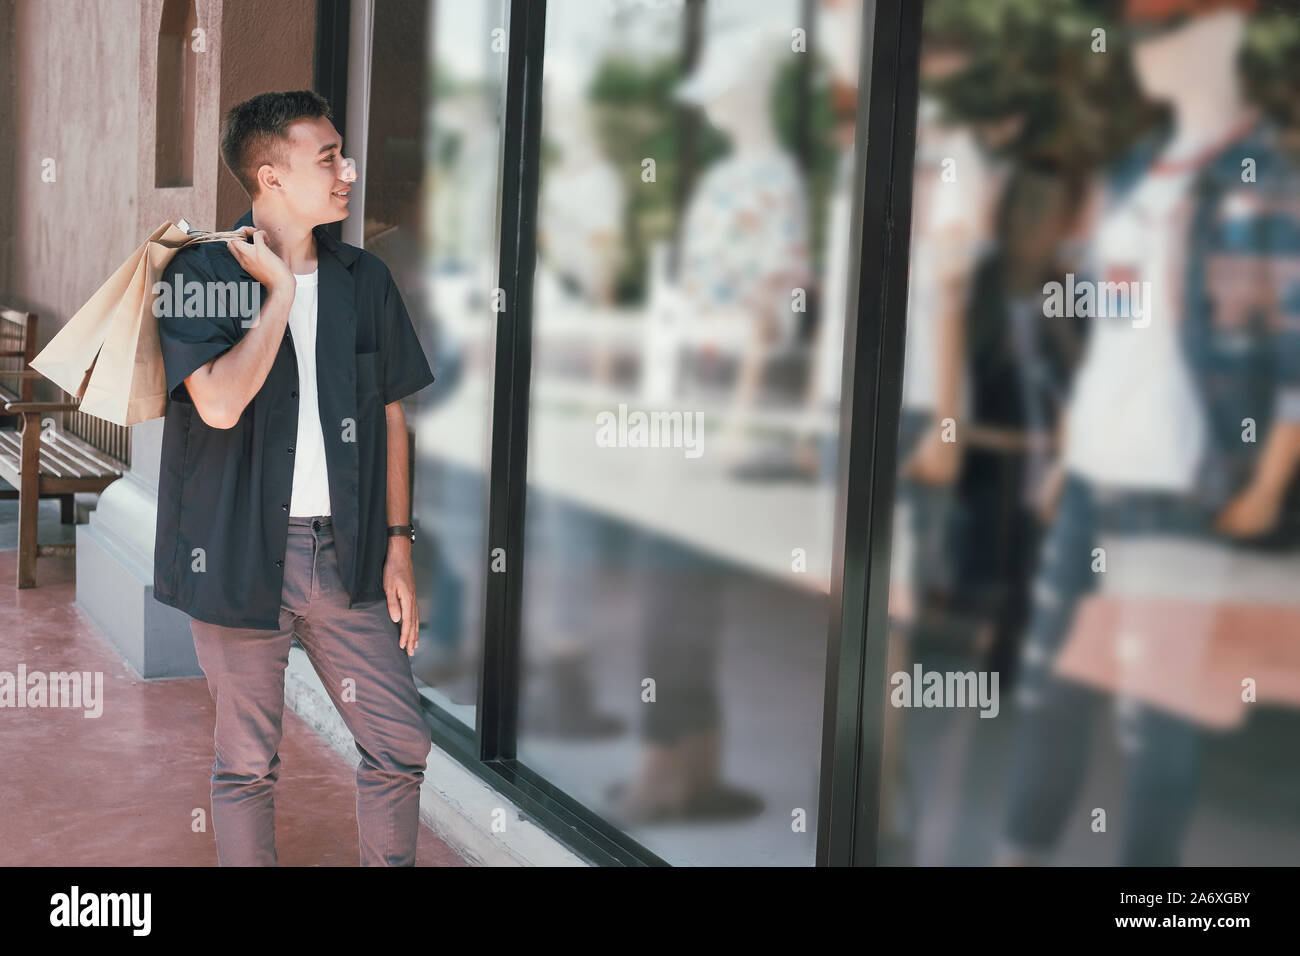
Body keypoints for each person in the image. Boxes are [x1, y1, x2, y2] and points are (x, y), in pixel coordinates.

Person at [997, 0, 1300, 866]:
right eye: (1135, 28)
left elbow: (1294, 352)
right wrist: (1065, 450)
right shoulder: (1133, 172)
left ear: (1224, 32)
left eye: (1163, 28)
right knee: (1051, 691)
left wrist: (1268, 483)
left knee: (1154, 715)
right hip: (1093, 474)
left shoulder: (1266, 180)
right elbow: (1105, 333)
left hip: (1179, 489)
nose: (1140, 48)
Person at [152, 90, 438, 866]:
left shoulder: (365, 278)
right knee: (246, 762)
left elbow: (388, 417)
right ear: (271, 176)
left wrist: (399, 545)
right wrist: (277, 291)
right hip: (237, 551)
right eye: (328, 158)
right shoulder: (200, 274)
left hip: (346, 556)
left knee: (400, 740)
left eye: (343, 155)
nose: (347, 171)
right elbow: (217, 403)